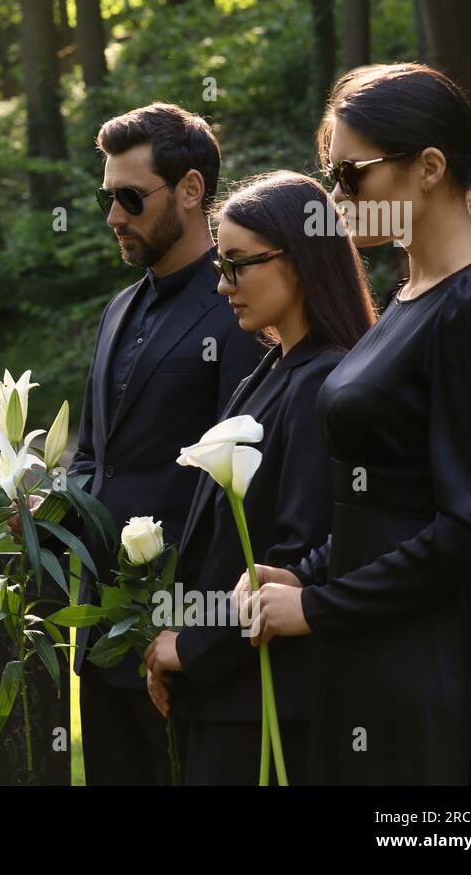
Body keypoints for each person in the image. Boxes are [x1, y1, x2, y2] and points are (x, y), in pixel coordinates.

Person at [235, 62, 471, 784]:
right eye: (330, 176)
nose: (336, 198)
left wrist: (317, 605)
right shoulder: (407, 297)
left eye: (352, 175)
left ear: (429, 167)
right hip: (368, 650)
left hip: (424, 668)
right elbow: (386, 501)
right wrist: (301, 574)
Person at [141, 171, 376, 784]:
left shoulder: (324, 382)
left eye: (239, 265)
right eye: (221, 265)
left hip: (270, 702)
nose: (223, 285)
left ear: (299, 259)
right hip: (232, 693)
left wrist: (190, 649)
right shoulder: (272, 369)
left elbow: (295, 562)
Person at [58, 103, 266, 784]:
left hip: (186, 637)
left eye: (129, 197)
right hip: (101, 636)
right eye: (105, 197)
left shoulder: (239, 308)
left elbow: (238, 488)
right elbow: (95, 455)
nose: (114, 216)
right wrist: (52, 512)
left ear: (191, 190)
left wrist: (195, 637)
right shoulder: (118, 309)